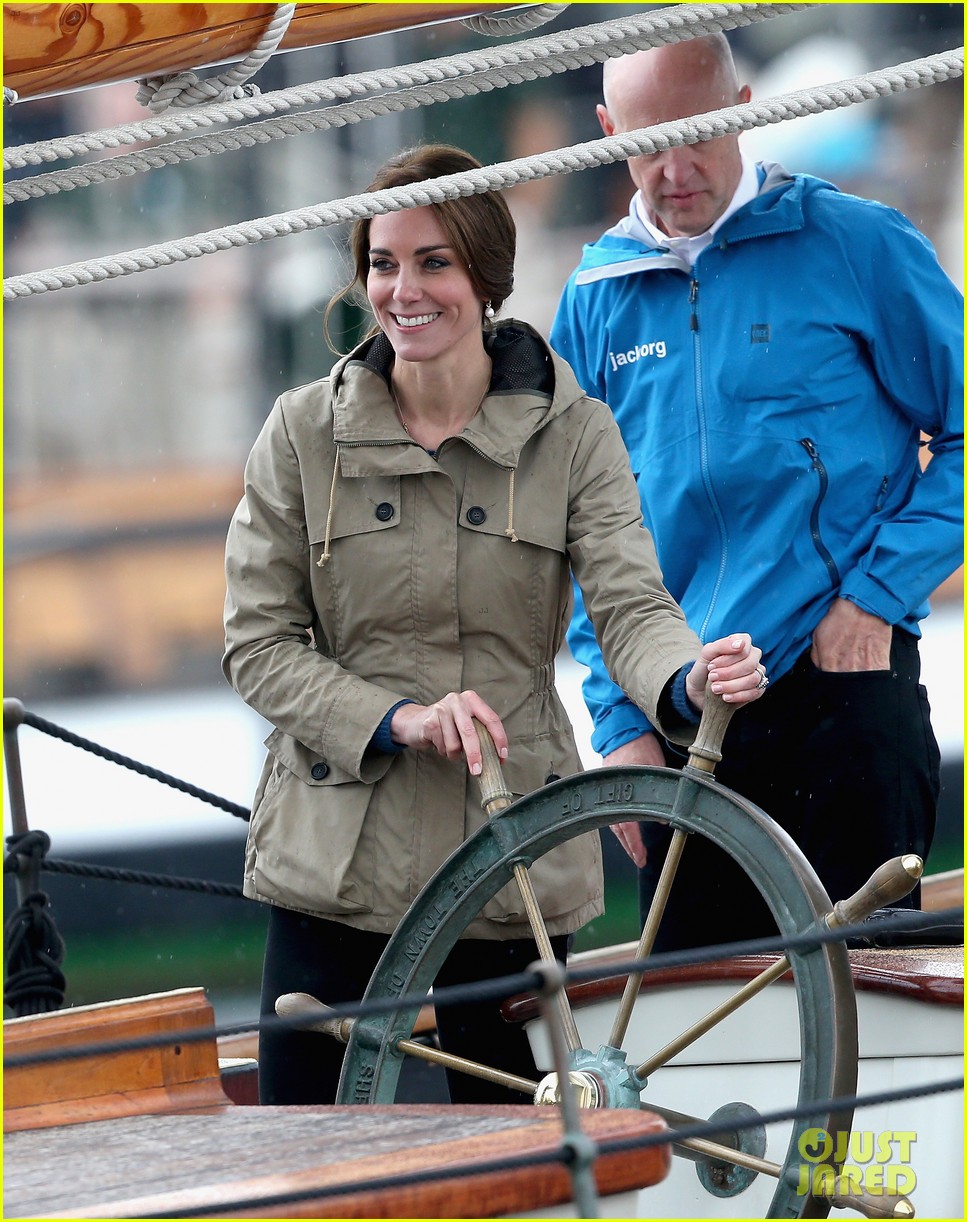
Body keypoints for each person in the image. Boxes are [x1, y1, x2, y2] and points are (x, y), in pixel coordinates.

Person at [223, 143, 767, 1106]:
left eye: (434, 262)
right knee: (301, 1156)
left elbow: (633, 608)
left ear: (486, 276)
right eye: (384, 264)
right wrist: (397, 720)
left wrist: (689, 680)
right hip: (335, 860)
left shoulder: (576, 433)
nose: (405, 290)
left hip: (512, 852)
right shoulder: (299, 434)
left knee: (523, 1155)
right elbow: (258, 646)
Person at [551, 35, 963, 952]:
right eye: (650, 139)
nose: (676, 165)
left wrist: (873, 600)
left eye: (699, 132)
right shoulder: (592, 300)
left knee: (870, 1021)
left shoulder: (856, 245)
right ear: (606, 130)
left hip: (843, 699)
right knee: (711, 1047)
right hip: (685, 721)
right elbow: (579, 539)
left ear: (743, 105)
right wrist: (621, 726)